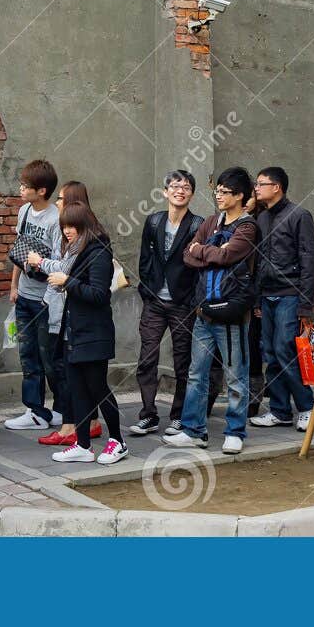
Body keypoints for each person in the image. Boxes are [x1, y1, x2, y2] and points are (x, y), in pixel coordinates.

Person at [164, 167, 260, 454]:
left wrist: (202, 251)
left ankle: (235, 431)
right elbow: (187, 256)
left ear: (240, 196)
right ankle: (194, 430)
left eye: (225, 191)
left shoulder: (247, 227)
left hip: (230, 313)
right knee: (197, 373)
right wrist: (209, 255)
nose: (218, 195)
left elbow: (228, 255)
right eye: (217, 190)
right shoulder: (210, 222)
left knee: (235, 375)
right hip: (203, 311)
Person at [44, 202, 127, 464]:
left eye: (73, 226)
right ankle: (82, 444)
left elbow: (99, 294)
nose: (67, 231)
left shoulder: (98, 252)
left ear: (85, 226)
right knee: (77, 390)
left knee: (98, 388)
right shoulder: (75, 251)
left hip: (94, 333)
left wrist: (67, 281)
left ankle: (117, 441)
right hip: (73, 333)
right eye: (65, 226)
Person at [130, 170, 203, 437]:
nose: (180, 190)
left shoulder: (198, 225)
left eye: (185, 187)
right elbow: (144, 259)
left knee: (183, 362)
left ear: (192, 194)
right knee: (146, 358)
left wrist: (193, 300)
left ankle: (178, 416)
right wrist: (147, 290)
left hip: (183, 304)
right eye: (174, 186)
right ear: (165, 192)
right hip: (155, 302)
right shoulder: (153, 221)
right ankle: (148, 415)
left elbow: (200, 266)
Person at [249, 166, 314, 431]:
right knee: (270, 352)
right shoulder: (262, 219)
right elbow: (258, 262)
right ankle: (279, 410)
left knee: (284, 349)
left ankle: (306, 407)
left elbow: (309, 259)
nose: (256, 188)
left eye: (260, 184)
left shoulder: (299, 215)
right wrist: (257, 300)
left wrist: (305, 302)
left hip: (290, 295)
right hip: (267, 296)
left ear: (276, 187)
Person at [5, 159, 63, 431]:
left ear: (42, 190)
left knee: (49, 357)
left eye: (26, 186)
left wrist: (48, 297)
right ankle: (36, 411)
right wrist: (14, 286)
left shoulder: (56, 218)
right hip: (25, 296)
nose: (21, 189)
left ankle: (63, 409)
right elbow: (20, 250)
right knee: (27, 355)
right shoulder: (24, 211)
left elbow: (58, 262)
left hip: (46, 298)